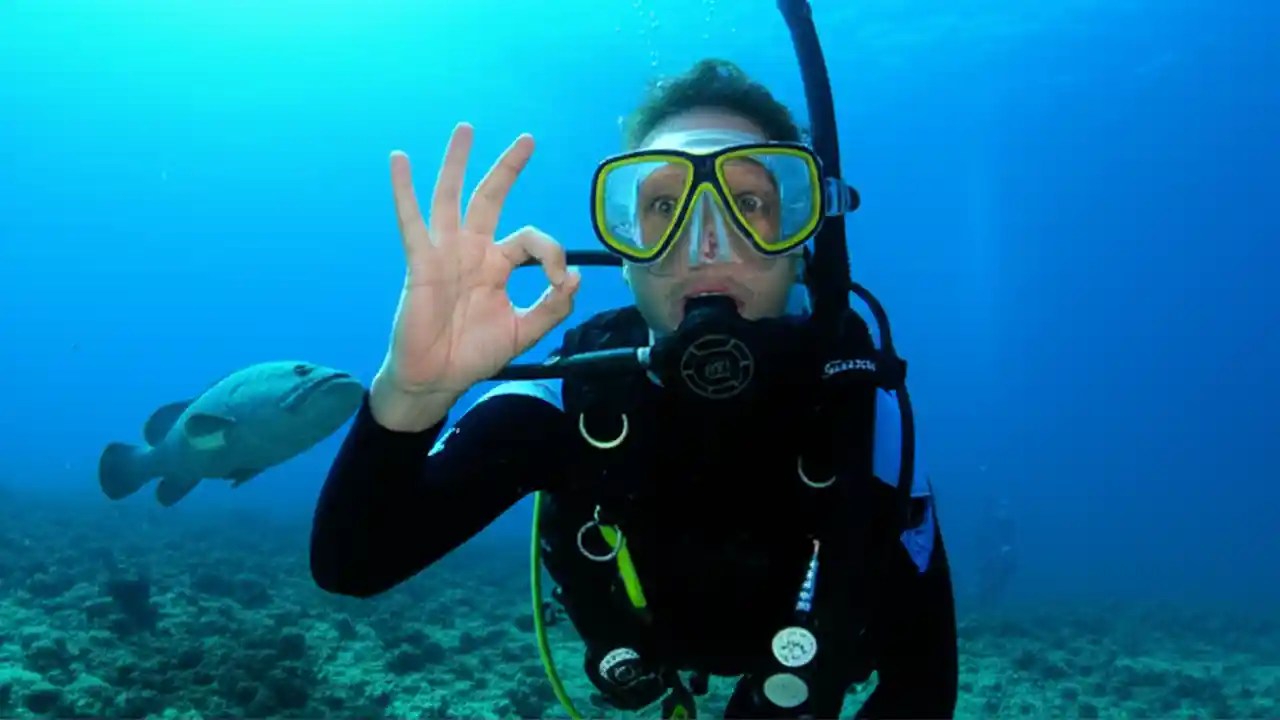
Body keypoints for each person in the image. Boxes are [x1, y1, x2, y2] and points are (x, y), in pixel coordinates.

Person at [310, 58, 958, 719]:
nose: (708, 244)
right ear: (625, 255)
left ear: (803, 243)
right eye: (664, 207)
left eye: (752, 203)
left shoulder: (852, 402)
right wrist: (411, 398)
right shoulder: (581, 390)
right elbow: (354, 563)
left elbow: (924, 685)